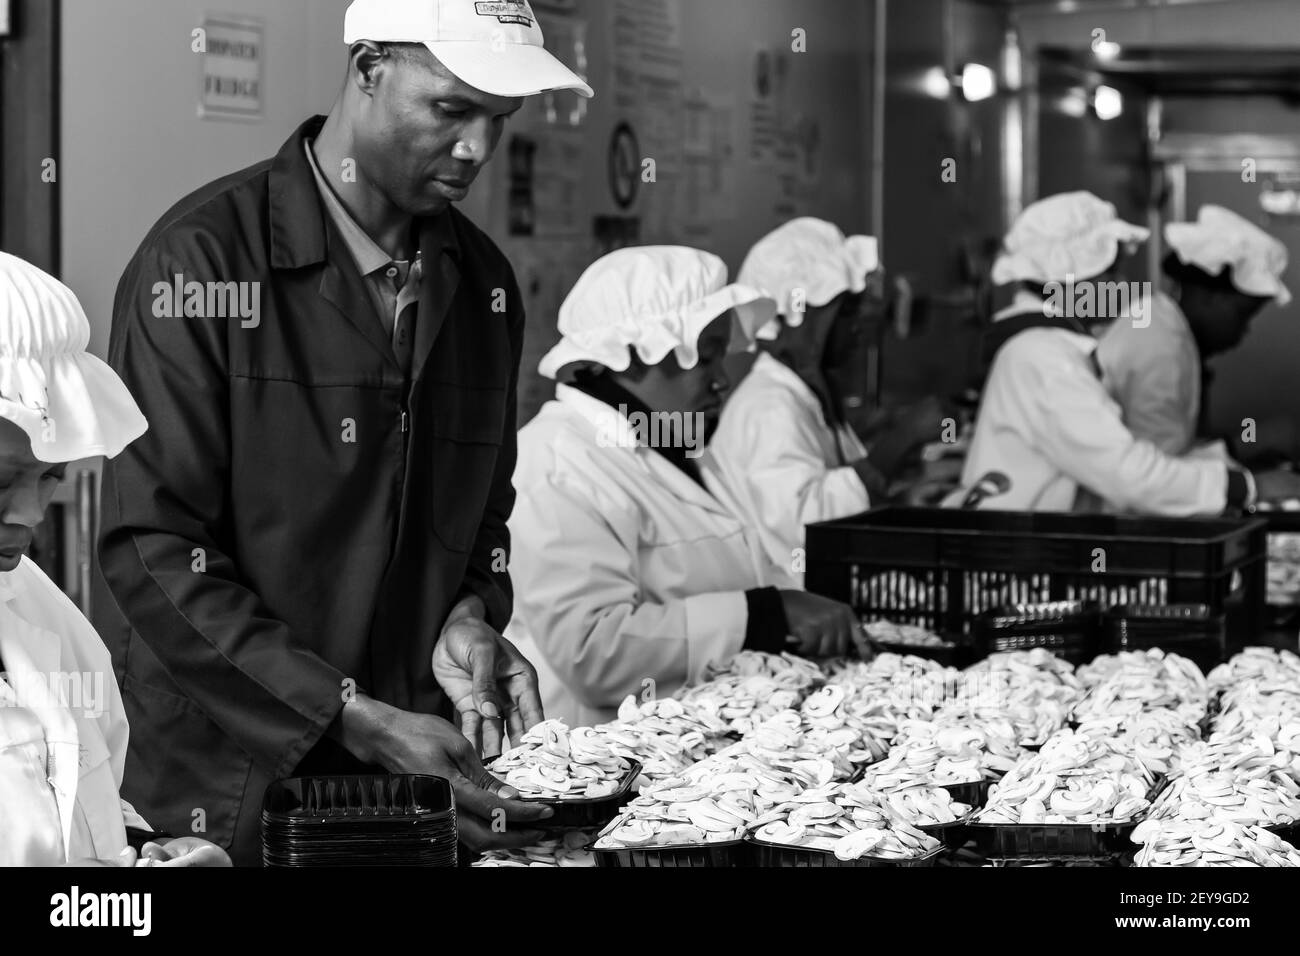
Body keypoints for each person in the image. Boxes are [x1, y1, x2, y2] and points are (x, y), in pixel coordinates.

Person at [95, 0, 592, 864]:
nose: (477, 148)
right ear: (368, 69)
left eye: (498, 120)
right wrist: (347, 711)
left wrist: (469, 614)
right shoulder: (202, 265)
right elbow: (156, 551)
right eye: (451, 109)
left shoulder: (483, 287)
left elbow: (480, 517)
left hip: (412, 783)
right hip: (231, 788)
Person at [507, 247, 868, 727]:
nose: (722, 380)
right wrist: (764, 614)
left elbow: (746, 562)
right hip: (601, 766)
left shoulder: (676, 443)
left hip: (700, 743)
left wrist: (803, 606)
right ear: (633, 356)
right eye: (708, 356)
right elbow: (592, 652)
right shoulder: (555, 463)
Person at [0, 253, 229, 867]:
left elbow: (79, 811)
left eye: (49, 477)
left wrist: (144, 852)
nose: (26, 513)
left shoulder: (46, 616)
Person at [953, 192, 1300, 513]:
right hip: (1020, 561)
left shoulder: (1050, 349)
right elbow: (1127, 472)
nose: (1120, 286)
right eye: (1110, 272)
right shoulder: (1042, 357)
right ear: (1067, 278)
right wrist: (1246, 487)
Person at [705, 218, 947, 580]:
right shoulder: (768, 407)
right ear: (796, 313)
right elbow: (808, 525)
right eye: (844, 311)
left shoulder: (805, 397)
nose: (857, 325)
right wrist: (900, 442)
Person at [1097, 205, 1290, 457]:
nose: (1245, 331)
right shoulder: (1162, 347)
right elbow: (1162, 475)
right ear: (1208, 297)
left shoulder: (1163, 326)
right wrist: (1255, 443)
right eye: (1242, 315)